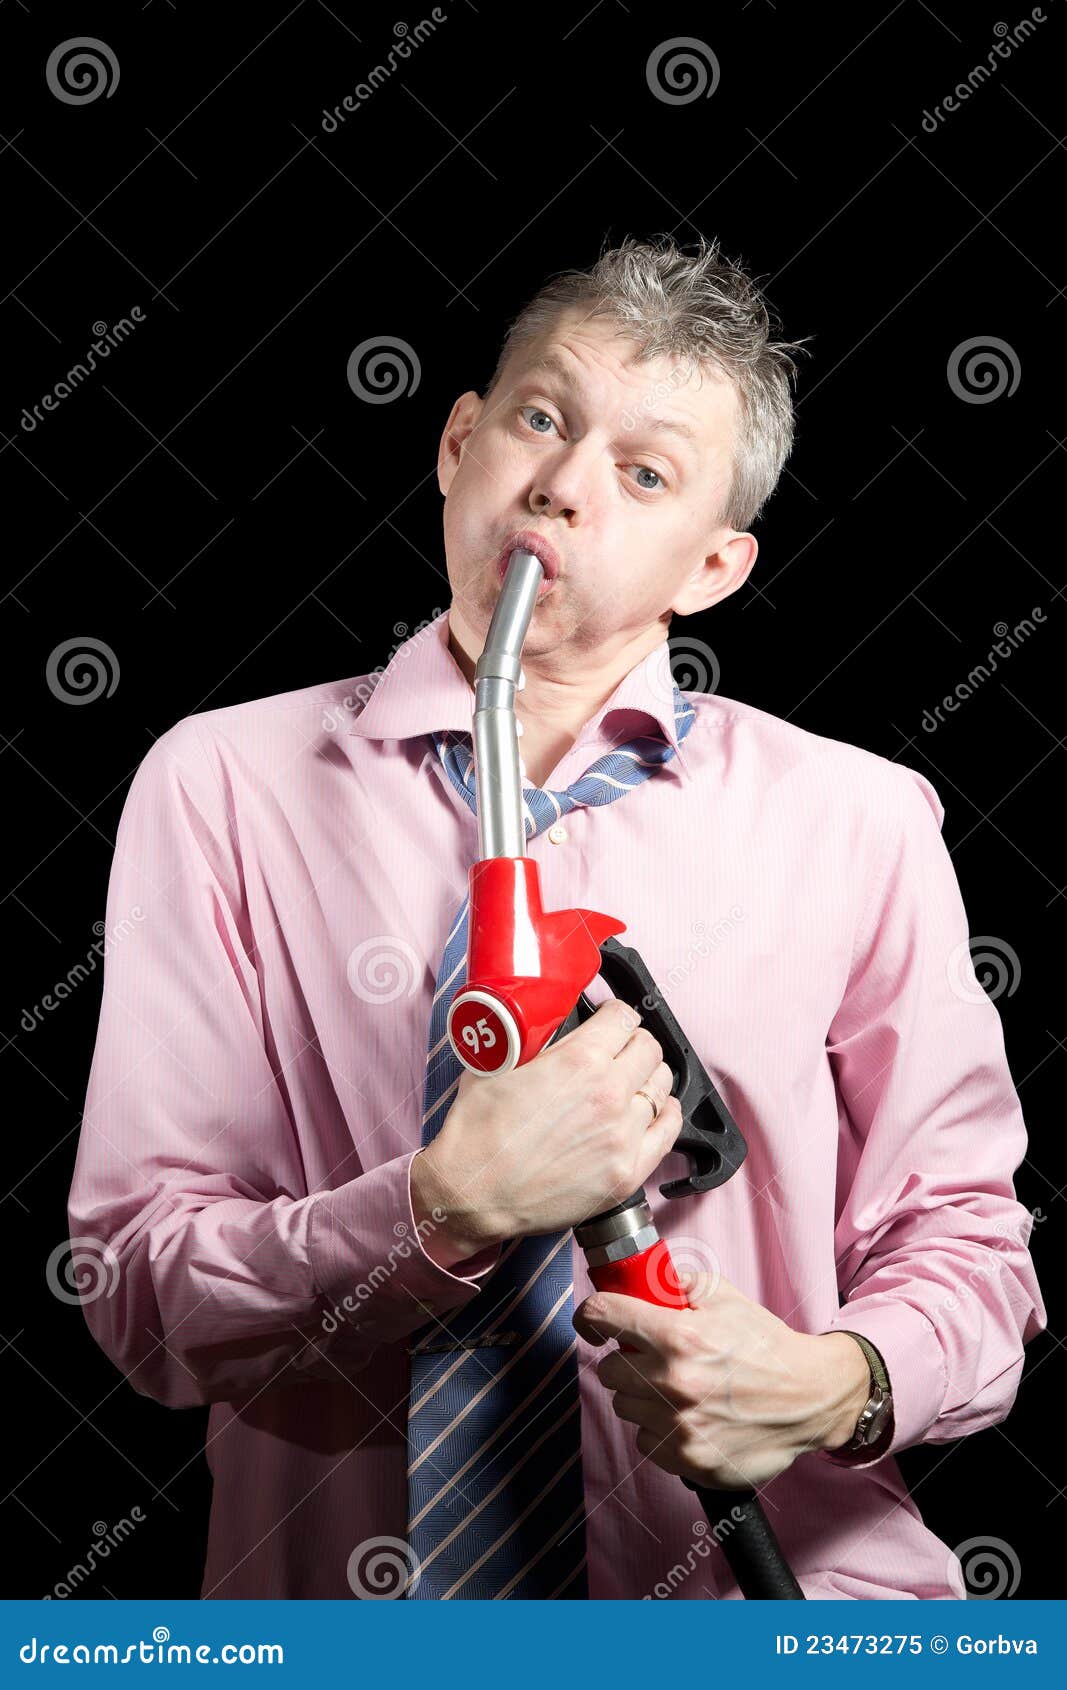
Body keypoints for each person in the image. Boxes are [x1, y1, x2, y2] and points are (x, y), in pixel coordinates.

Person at [68, 234, 1046, 1600]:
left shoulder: (858, 818)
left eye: (643, 473)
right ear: (460, 443)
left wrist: (835, 1382)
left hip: (785, 1619)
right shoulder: (222, 787)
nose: (564, 486)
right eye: (540, 418)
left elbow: (967, 1243)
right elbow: (136, 1290)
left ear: (712, 567)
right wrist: (440, 1207)